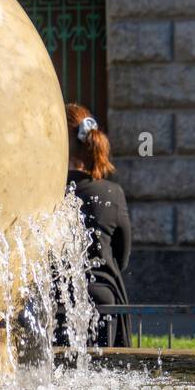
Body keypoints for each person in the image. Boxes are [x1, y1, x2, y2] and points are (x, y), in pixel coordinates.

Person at [58, 103, 131, 347]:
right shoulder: (112, 193)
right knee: (105, 376)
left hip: (58, 300)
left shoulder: (49, 193)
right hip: (104, 299)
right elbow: (122, 257)